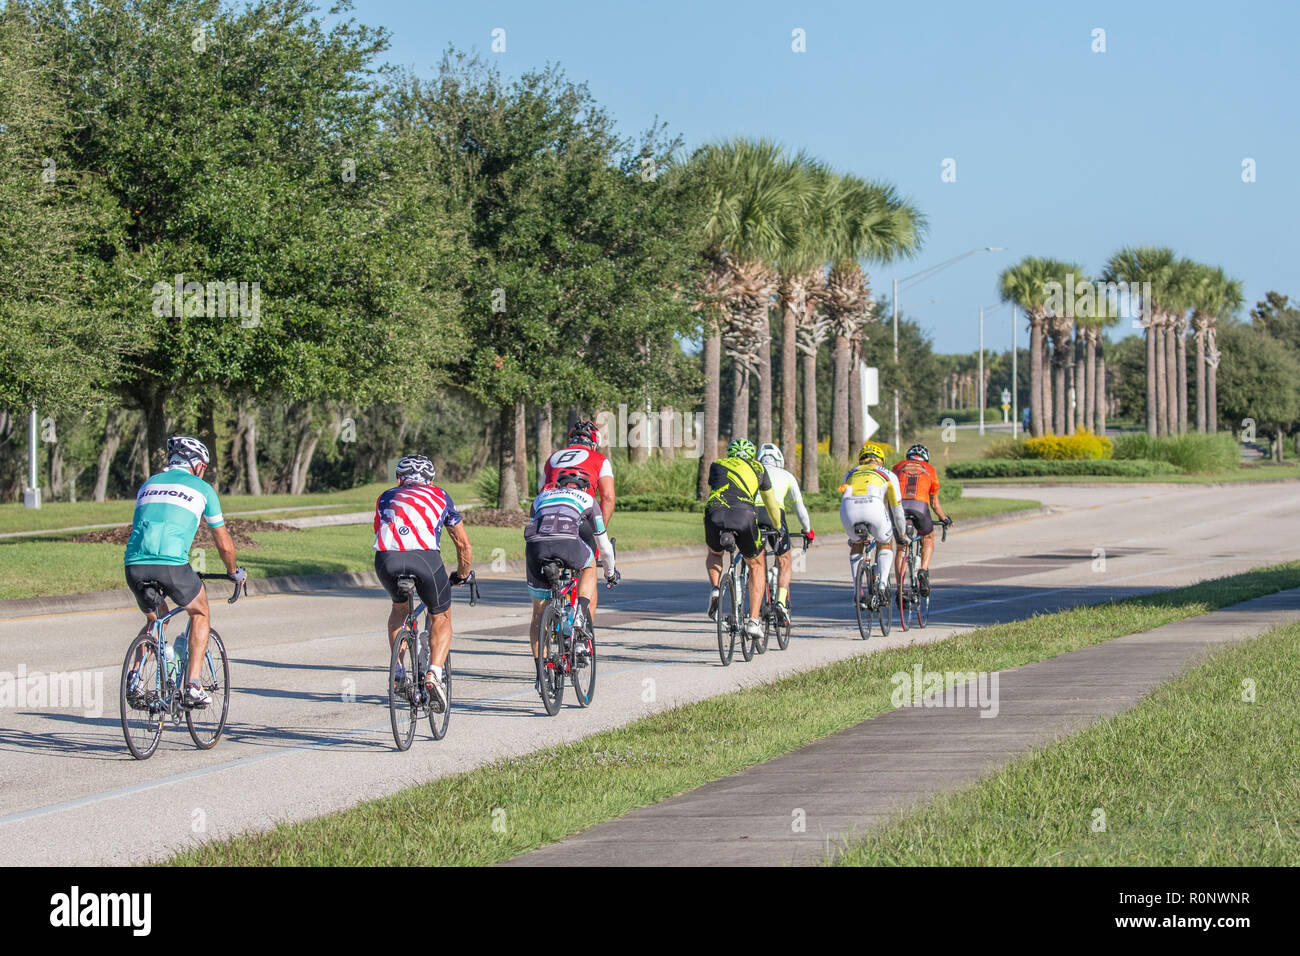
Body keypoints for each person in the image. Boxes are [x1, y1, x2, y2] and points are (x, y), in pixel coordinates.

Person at [123, 436, 245, 708]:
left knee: (158, 619)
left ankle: (136, 677)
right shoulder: (202, 489)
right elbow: (223, 542)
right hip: (170, 564)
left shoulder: (149, 484)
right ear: (197, 465)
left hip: (134, 564)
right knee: (200, 611)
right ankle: (192, 685)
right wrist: (234, 571)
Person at [373, 454, 472, 714]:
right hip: (425, 560)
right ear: (431, 479)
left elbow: (381, 529)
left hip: (387, 560)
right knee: (441, 615)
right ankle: (434, 674)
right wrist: (463, 574)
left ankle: (398, 670)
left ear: (399, 478)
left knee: (399, 609)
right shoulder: (440, 496)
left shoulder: (386, 496)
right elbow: (463, 544)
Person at [525, 468, 618, 692]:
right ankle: (579, 614)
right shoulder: (587, 499)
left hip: (535, 546)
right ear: (585, 488)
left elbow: (535, 525)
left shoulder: (541, 497)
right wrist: (611, 572)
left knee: (538, 613)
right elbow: (603, 546)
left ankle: (541, 674)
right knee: (588, 566)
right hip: (568, 543)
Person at [704, 438, 781, 642]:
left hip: (715, 512)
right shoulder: (759, 468)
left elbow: (717, 486)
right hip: (743, 514)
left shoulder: (717, 463)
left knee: (714, 553)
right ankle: (754, 621)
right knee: (756, 564)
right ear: (752, 454)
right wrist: (778, 526)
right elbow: (771, 503)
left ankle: (715, 589)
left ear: (730, 454)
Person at [838, 441, 907, 607]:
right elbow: (896, 509)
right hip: (874, 508)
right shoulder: (888, 474)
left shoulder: (849, 473)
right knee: (885, 542)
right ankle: (882, 584)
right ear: (881, 461)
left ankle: (857, 590)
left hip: (849, 510)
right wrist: (902, 533)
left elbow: (843, 498)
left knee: (856, 543)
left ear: (861, 460)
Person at [754, 442, 814, 623]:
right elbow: (800, 509)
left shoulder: (753, 472)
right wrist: (807, 530)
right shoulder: (787, 476)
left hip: (752, 515)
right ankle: (780, 601)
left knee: (754, 561)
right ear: (780, 460)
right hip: (774, 516)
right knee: (785, 560)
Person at [891, 443, 951, 595]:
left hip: (900, 506)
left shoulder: (897, 467)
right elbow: (934, 504)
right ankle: (923, 570)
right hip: (920, 507)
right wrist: (944, 518)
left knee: (901, 546)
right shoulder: (930, 470)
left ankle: (899, 588)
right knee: (928, 537)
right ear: (926, 459)